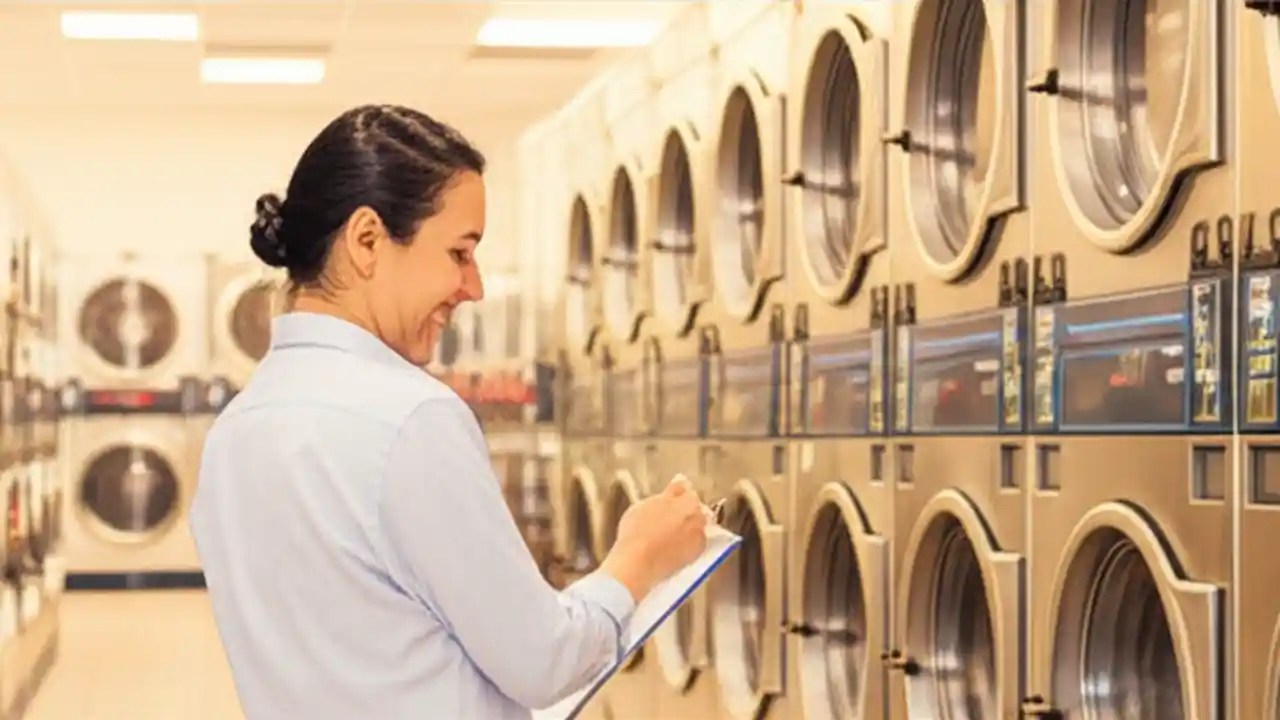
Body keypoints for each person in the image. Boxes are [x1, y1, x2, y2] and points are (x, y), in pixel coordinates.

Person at [188, 104, 709, 719]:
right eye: (460, 253)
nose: (475, 286)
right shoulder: (409, 419)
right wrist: (637, 558)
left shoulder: (235, 432)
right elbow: (543, 662)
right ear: (367, 241)